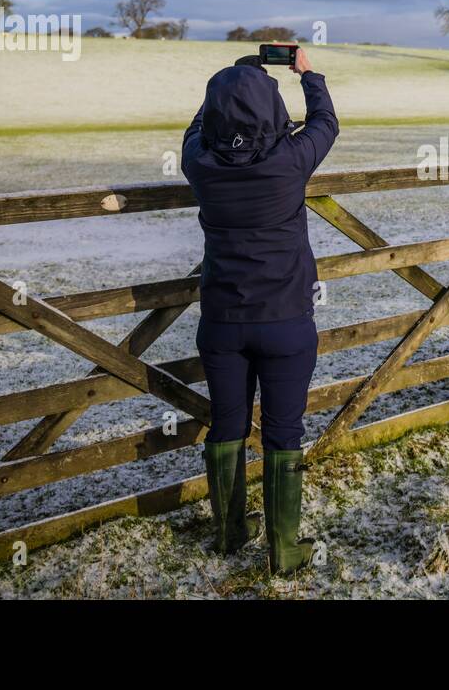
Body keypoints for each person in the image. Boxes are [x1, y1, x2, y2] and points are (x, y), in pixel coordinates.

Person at [181, 46, 338, 574]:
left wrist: (237, 75)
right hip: (287, 322)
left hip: (222, 324)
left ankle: (229, 533)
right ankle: (284, 548)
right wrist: (306, 73)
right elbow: (325, 121)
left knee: (226, 426)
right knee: (282, 431)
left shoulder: (199, 161)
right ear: (272, 110)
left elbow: (200, 123)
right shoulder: (291, 159)